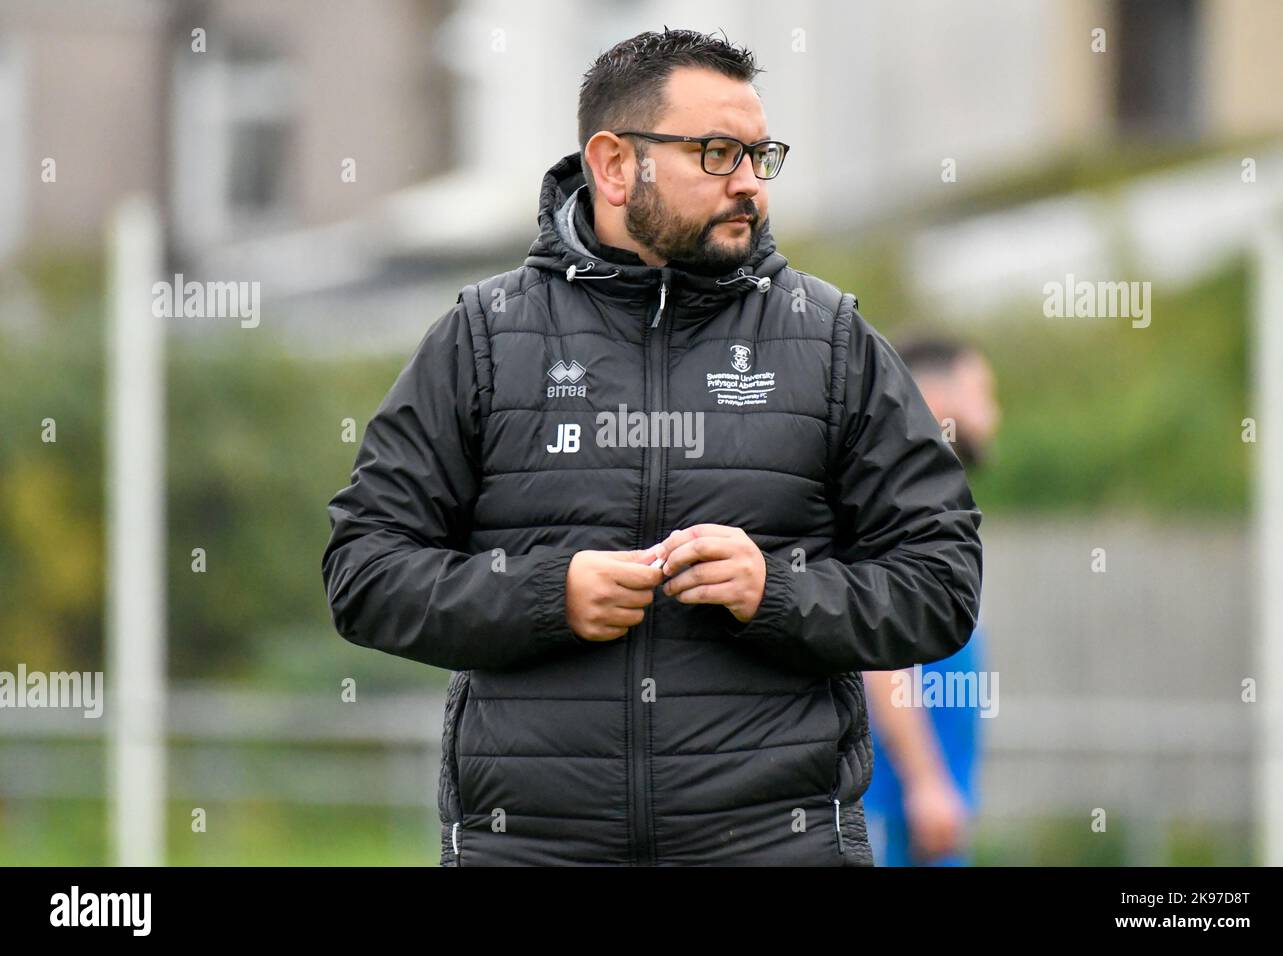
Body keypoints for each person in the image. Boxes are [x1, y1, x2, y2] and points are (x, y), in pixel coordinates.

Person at [321, 28, 983, 866]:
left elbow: (942, 582)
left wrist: (777, 593)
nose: (749, 184)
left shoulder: (833, 341)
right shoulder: (482, 338)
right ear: (612, 165)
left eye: (760, 156)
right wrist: (546, 596)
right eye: (716, 153)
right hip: (529, 852)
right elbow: (364, 570)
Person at [860, 335, 1001, 866]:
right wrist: (926, 782)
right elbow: (879, 651)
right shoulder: (899, 503)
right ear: (938, 400)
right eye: (983, 394)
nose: (994, 414)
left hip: (924, 811)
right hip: (898, 811)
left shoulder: (941, 504)